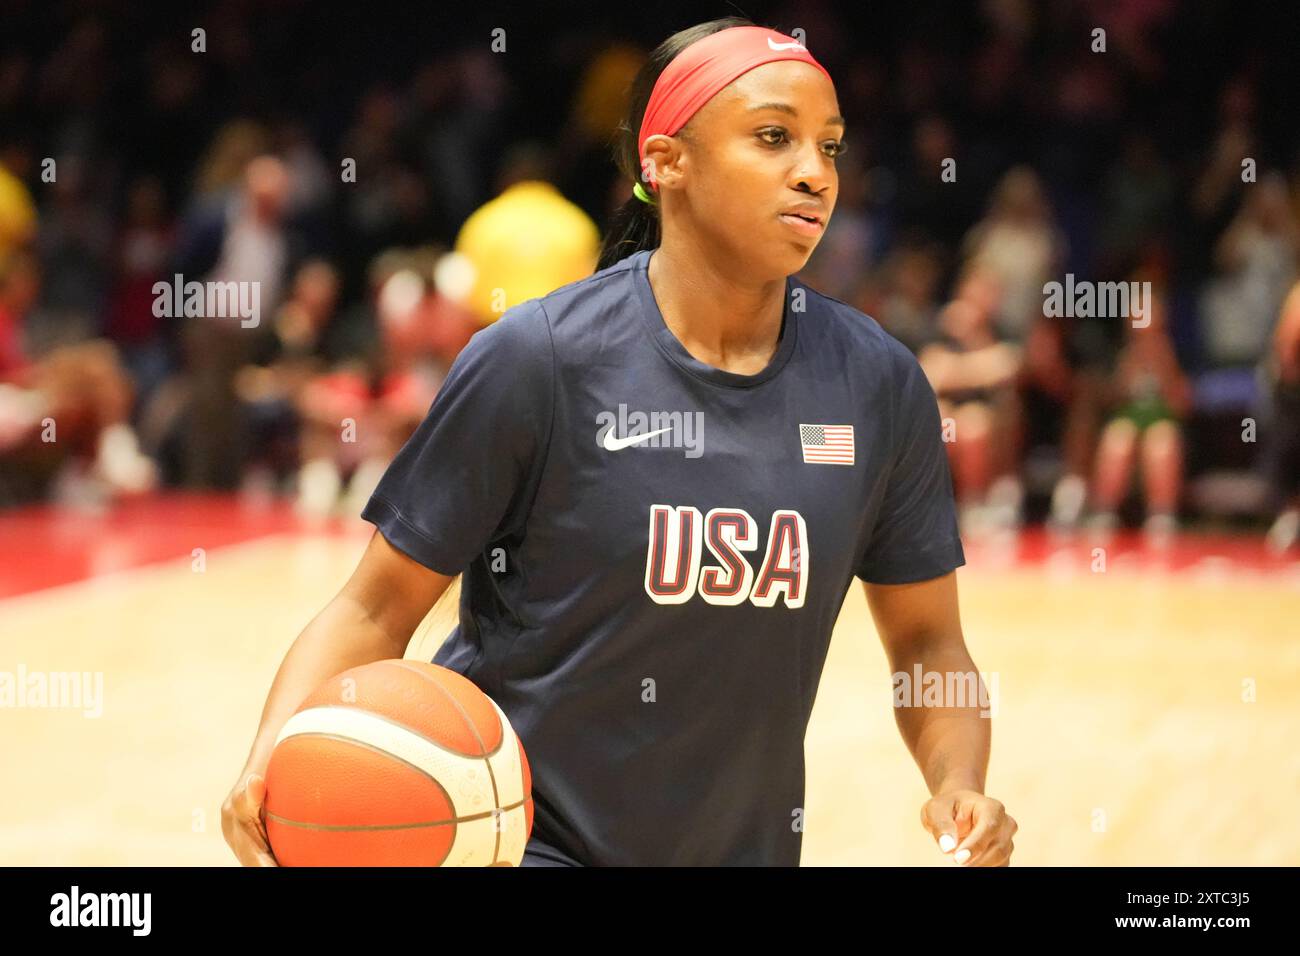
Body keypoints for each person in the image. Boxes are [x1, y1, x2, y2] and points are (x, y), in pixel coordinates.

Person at [223, 18, 1016, 867]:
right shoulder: (540, 360)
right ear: (666, 161)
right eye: (774, 137)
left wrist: (957, 777)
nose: (814, 172)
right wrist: (272, 751)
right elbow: (374, 605)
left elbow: (929, 640)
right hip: (530, 843)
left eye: (831, 146)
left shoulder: (878, 386)